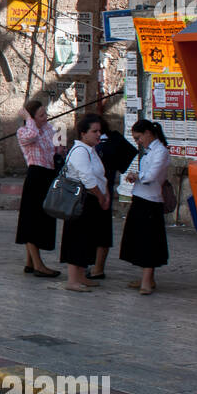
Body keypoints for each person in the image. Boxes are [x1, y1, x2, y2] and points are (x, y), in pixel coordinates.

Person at [59, 113, 111, 291]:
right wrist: (101, 195)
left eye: (99, 131)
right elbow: (87, 179)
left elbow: (99, 175)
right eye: (94, 131)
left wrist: (105, 193)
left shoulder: (91, 150)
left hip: (91, 200)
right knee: (77, 238)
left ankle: (81, 275)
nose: (98, 134)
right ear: (83, 133)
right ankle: (73, 279)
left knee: (87, 239)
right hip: (81, 200)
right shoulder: (80, 151)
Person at [121, 119, 171, 294]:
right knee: (140, 240)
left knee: (149, 241)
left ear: (148, 133)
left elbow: (151, 176)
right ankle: (147, 278)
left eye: (139, 137)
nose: (138, 142)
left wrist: (137, 175)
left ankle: (147, 282)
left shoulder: (161, 152)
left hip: (151, 201)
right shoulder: (150, 151)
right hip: (141, 198)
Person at [14, 100, 60, 277]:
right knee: (32, 220)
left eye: (45, 113)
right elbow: (32, 135)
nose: (45, 117)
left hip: (48, 174)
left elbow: (56, 146)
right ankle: (39, 265)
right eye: (41, 115)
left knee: (41, 218)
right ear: (32, 117)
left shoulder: (49, 128)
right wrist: (27, 118)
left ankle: (30, 262)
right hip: (35, 175)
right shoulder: (24, 131)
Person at [89, 119, 138, 280]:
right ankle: (95, 266)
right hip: (98, 191)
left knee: (101, 229)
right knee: (98, 229)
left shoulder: (105, 145)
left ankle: (97, 268)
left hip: (101, 191)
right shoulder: (104, 143)